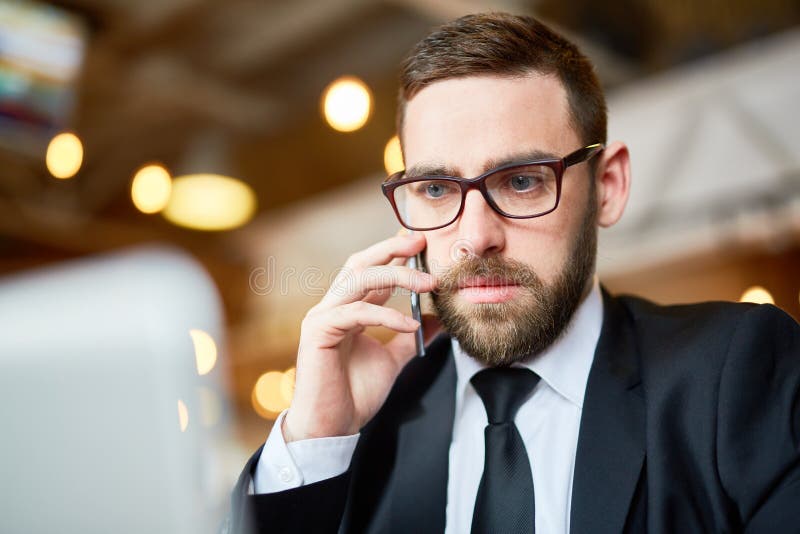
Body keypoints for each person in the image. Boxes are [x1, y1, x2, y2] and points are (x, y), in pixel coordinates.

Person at [228, 12, 800, 534]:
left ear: (607, 186)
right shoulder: (361, 431)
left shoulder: (737, 370)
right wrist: (313, 437)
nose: (476, 237)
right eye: (434, 188)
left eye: (521, 180)